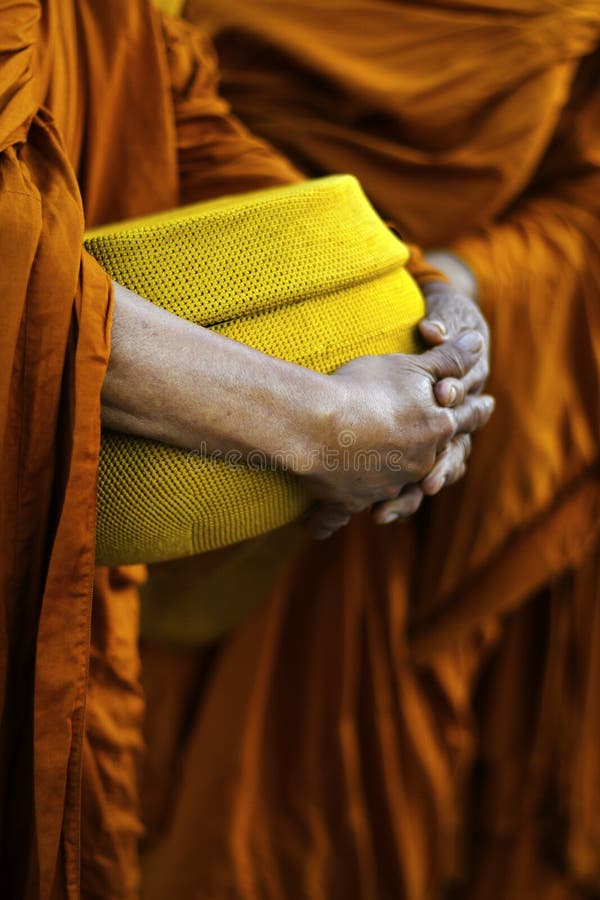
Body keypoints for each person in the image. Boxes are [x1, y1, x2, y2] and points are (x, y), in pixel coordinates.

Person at [0, 1, 493, 895]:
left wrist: (413, 298)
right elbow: (11, 260)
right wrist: (322, 426)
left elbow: (188, 127)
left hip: (70, 559)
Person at [137, 1, 600, 898]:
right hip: (186, 360)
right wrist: (310, 409)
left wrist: (439, 303)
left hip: (430, 428)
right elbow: (163, 117)